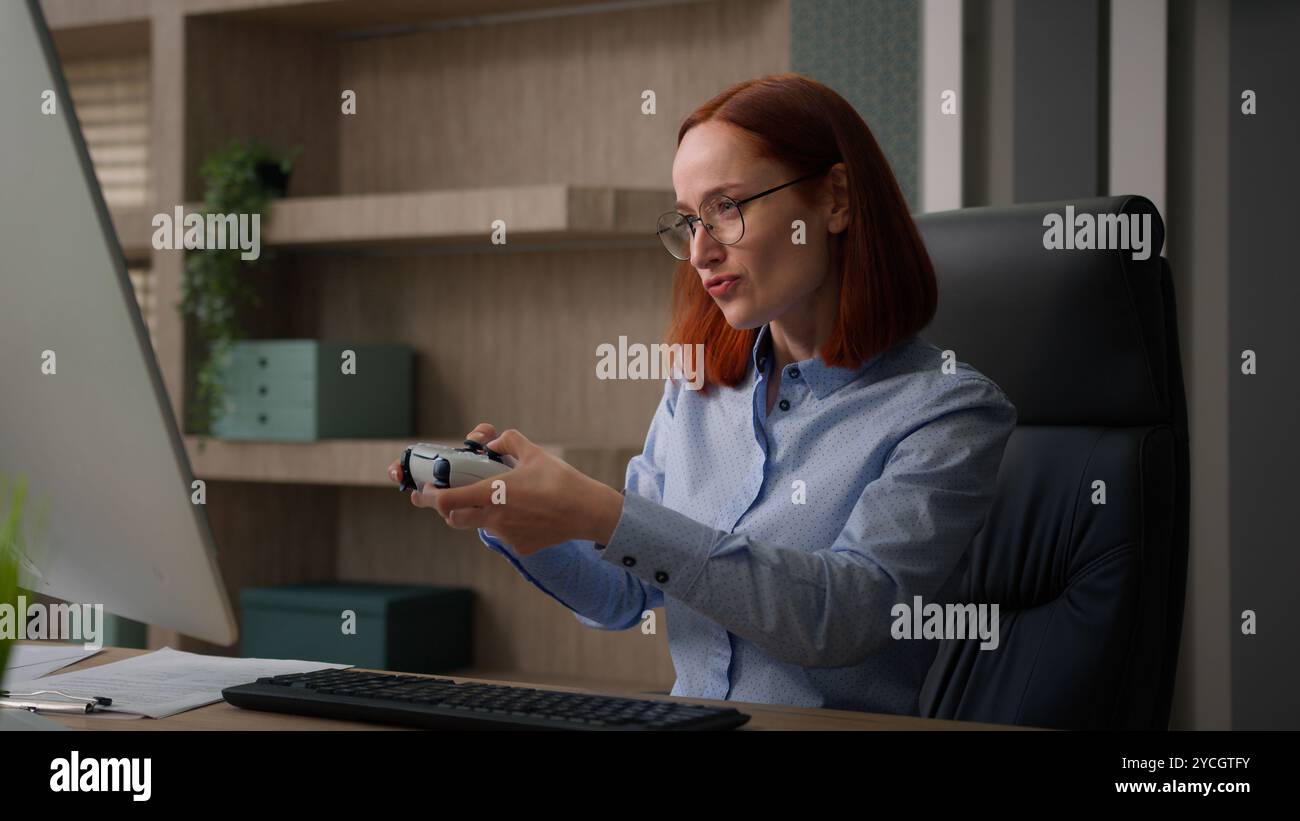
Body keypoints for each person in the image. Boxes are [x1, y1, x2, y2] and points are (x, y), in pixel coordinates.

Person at [386, 73, 1016, 715]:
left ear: (835, 200)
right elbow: (622, 596)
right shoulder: (698, 389)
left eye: (726, 207)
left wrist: (603, 514)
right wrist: (521, 518)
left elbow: (845, 615)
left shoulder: (949, 410)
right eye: (688, 221)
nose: (699, 253)